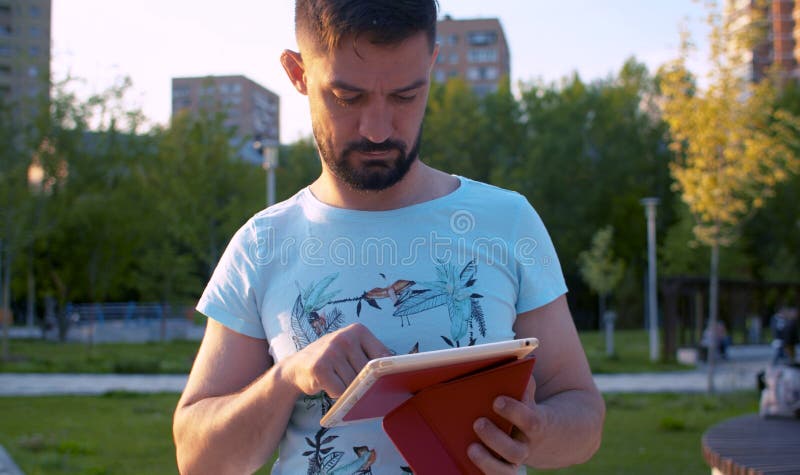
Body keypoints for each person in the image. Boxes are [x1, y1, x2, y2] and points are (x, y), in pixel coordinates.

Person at [172, 1, 605, 473]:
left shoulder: (508, 221)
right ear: (297, 73)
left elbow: (582, 413)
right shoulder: (261, 244)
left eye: (405, 96)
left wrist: (537, 431)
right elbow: (198, 459)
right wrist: (287, 377)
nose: (377, 130)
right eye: (347, 97)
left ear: (432, 66)